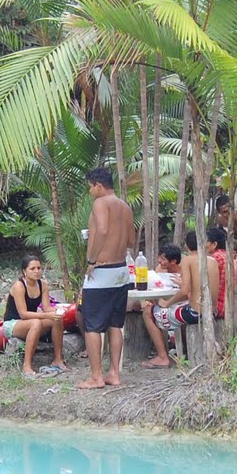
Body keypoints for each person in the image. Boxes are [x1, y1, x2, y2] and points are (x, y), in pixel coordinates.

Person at [78, 166, 135, 389]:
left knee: (92, 325)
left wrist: (92, 259)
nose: (90, 192)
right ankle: (114, 373)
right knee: (114, 323)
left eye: (90, 188)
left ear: (98, 186)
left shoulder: (100, 203)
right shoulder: (125, 206)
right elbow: (131, 239)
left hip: (101, 271)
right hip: (121, 271)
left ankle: (96, 377)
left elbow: (101, 230)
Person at [4, 254, 67, 377]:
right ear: (24, 271)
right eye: (32, 269)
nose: (37, 271)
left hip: (32, 320)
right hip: (13, 323)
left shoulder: (43, 284)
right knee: (36, 322)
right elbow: (23, 314)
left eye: (39, 268)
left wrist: (56, 311)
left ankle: (57, 360)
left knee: (57, 319)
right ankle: (27, 366)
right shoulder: (19, 286)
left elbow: (47, 307)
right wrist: (46, 315)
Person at [138, 243, 190, 369]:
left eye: (163, 259)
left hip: (182, 306)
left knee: (147, 314)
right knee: (146, 309)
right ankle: (164, 352)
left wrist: (168, 301)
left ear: (173, 262)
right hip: (165, 304)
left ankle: (164, 356)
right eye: (159, 257)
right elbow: (155, 288)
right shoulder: (160, 270)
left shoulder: (185, 269)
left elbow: (186, 292)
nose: (159, 261)